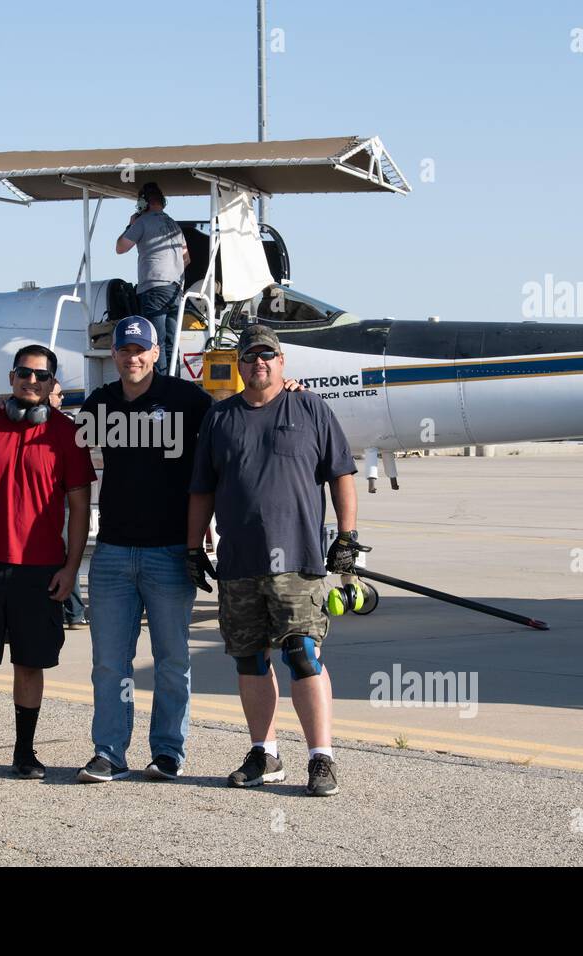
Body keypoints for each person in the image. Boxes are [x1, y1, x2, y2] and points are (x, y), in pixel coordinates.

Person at [186, 324, 365, 797]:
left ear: (282, 363)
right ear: (239, 365)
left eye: (267, 355)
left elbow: (341, 474)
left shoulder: (309, 408)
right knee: (248, 659)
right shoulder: (220, 418)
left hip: (298, 563)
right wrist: (191, 548)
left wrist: (347, 538)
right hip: (239, 563)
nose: (258, 363)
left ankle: (321, 757)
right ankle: (264, 752)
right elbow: (201, 489)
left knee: (302, 656)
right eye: (248, 357)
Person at [0, 344, 97, 784]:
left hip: (41, 568)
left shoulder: (67, 434)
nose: (32, 382)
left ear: (53, 385)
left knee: (31, 663)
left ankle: (24, 753)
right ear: (11, 378)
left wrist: (71, 568)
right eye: (24, 374)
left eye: (42, 376)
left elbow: (80, 508)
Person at [75, 316, 213, 783]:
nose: (132, 357)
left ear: (156, 353)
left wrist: (288, 391)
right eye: (123, 350)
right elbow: (60, 443)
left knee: (172, 659)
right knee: (110, 663)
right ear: (113, 355)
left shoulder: (187, 400)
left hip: (170, 552)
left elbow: (231, 432)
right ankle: (109, 752)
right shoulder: (101, 403)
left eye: (141, 350)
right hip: (112, 552)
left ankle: (168, 752)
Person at [115, 181, 190, 376]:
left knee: (156, 341)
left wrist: (129, 225)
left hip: (154, 287)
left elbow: (120, 247)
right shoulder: (174, 225)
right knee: (172, 343)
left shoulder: (142, 222)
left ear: (142, 204)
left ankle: (160, 387)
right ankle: (175, 383)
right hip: (176, 289)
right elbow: (186, 259)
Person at [49, 380, 89, 628]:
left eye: (62, 394)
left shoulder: (65, 427)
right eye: (58, 394)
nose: (61, 398)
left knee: (65, 556)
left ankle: (74, 612)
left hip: (62, 505)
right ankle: (73, 611)